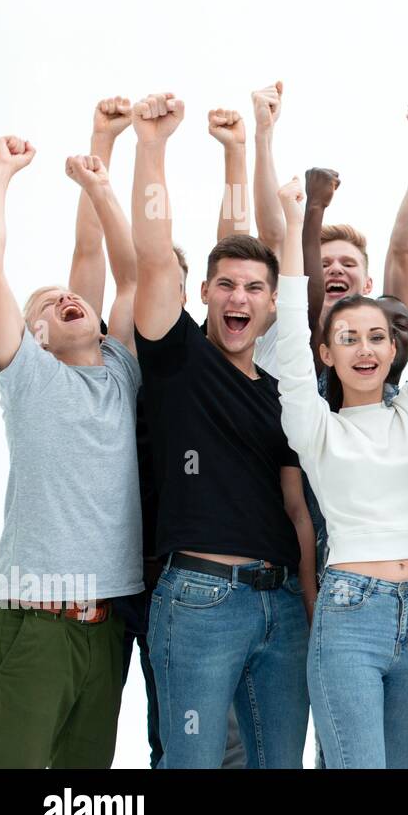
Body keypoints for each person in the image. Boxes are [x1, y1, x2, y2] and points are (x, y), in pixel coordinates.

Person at [128, 92, 316, 769]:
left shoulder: (285, 395)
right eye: (226, 284)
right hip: (201, 599)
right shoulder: (178, 360)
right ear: (202, 292)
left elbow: (297, 510)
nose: (240, 296)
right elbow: (152, 256)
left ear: (271, 302)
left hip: (284, 607)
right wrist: (154, 145)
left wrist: (239, 150)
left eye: (254, 288)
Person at [272, 173, 408, 768]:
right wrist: (298, 221)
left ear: (393, 348)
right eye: (348, 338)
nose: (365, 348)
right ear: (327, 353)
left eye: (377, 336)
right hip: (352, 612)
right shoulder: (316, 427)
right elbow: (294, 335)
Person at [0, 136, 142, 768]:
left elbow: (118, 267)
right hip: (35, 619)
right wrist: (1, 173)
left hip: (108, 629)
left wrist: (98, 169)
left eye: (69, 295)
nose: (62, 298)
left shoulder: (122, 371)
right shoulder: (29, 377)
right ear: (31, 337)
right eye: (43, 305)